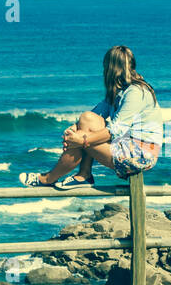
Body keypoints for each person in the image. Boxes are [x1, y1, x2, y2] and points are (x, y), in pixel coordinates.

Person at [20, 45, 163, 188]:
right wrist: (73, 130)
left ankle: (49, 179)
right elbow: (94, 114)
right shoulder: (118, 92)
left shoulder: (136, 92)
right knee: (86, 119)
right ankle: (83, 175)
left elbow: (116, 130)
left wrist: (81, 140)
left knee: (82, 135)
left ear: (110, 68)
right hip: (127, 146)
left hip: (141, 155)